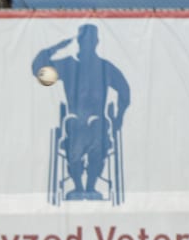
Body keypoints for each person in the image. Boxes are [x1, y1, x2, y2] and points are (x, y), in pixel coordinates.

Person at [31, 24, 131, 201]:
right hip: (75, 120)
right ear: (78, 42)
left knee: (97, 129)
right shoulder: (68, 65)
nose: (88, 44)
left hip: (98, 122)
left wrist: (119, 116)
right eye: (84, 40)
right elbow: (39, 71)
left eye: (91, 40)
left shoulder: (105, 67)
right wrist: (56, 48)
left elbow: (124, 90)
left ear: (97, 42)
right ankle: (77, 187)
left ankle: (91, 187)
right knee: (76, 128)